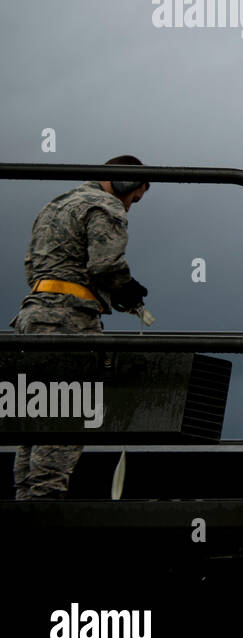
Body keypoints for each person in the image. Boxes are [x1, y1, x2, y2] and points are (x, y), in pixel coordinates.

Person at [9, 156, 150, 499]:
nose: (130, 208)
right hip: (70, 323)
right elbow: (105, 264)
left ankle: (24, 505)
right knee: (66, 415)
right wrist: (127, 289)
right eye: (135, 198)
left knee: (34, 414)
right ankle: (43, 510)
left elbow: (33, 267)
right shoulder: (106, 206)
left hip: (32, 318)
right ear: (125, 185)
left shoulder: (54, 206)